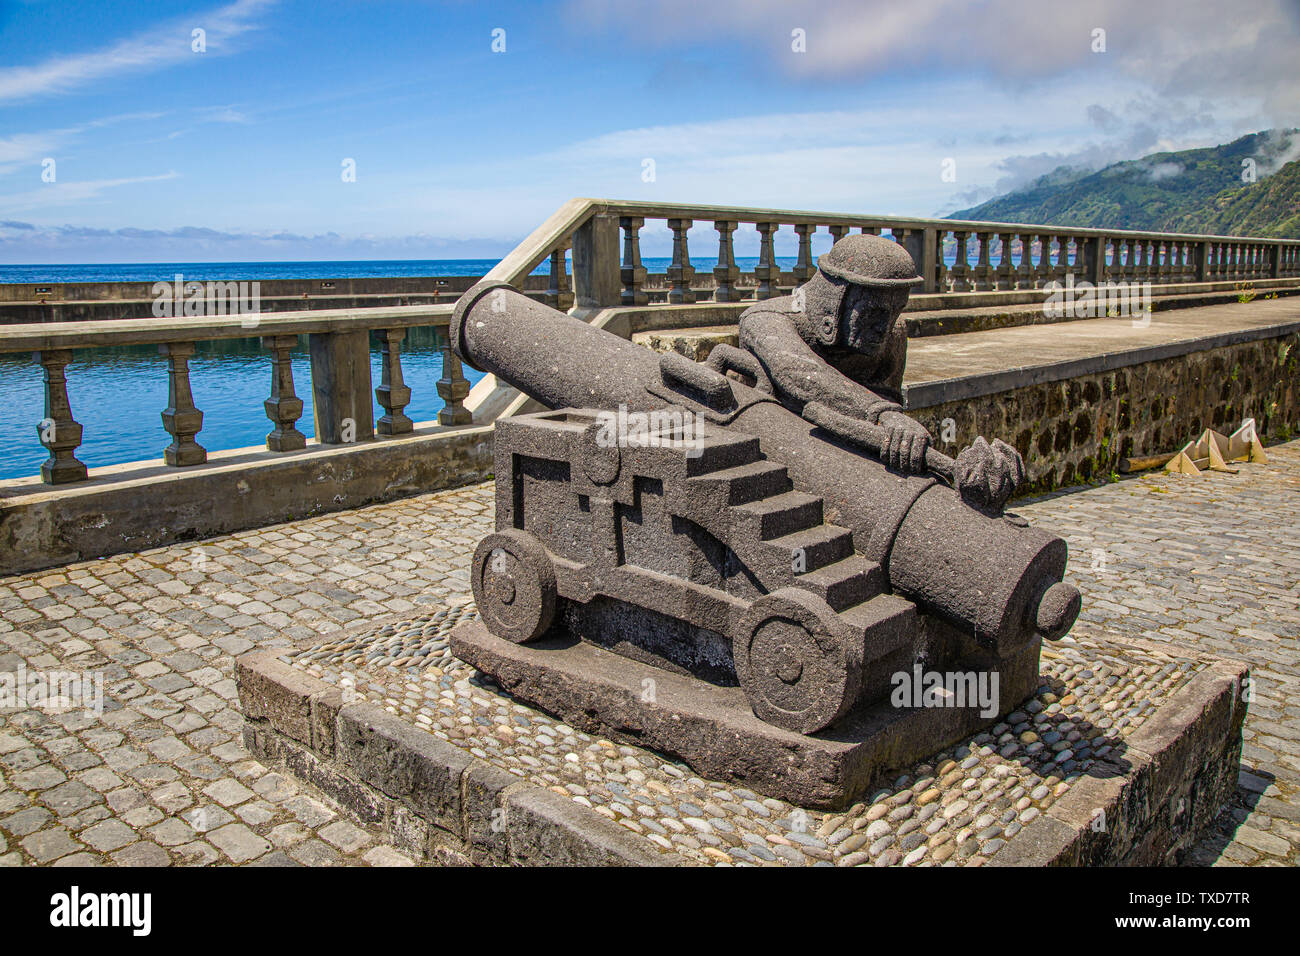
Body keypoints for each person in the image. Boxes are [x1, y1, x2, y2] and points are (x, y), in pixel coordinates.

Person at [736, 233, 1025, 510]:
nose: (884, 327)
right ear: (834, 301)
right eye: (873, 313)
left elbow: (886, 395)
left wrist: (898, 438)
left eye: (894, 313)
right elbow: (799, 373)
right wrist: (884, 414)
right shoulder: (766, 320)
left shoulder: (892, 334)